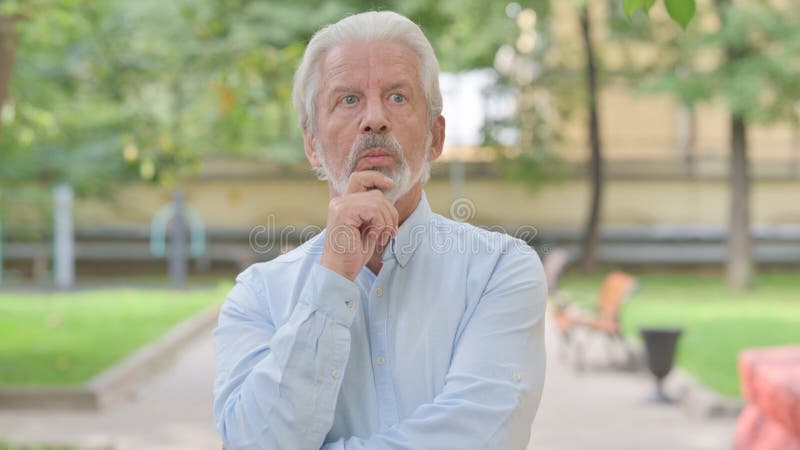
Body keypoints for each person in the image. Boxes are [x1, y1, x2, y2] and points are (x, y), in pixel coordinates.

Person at [213, 11, 547, 450]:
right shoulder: (258, 297)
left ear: (436, 136)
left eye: (397, 97)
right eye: (348, 99)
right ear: (312, 143)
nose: (374, 119)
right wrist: (332, 279)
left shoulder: (498, 271)